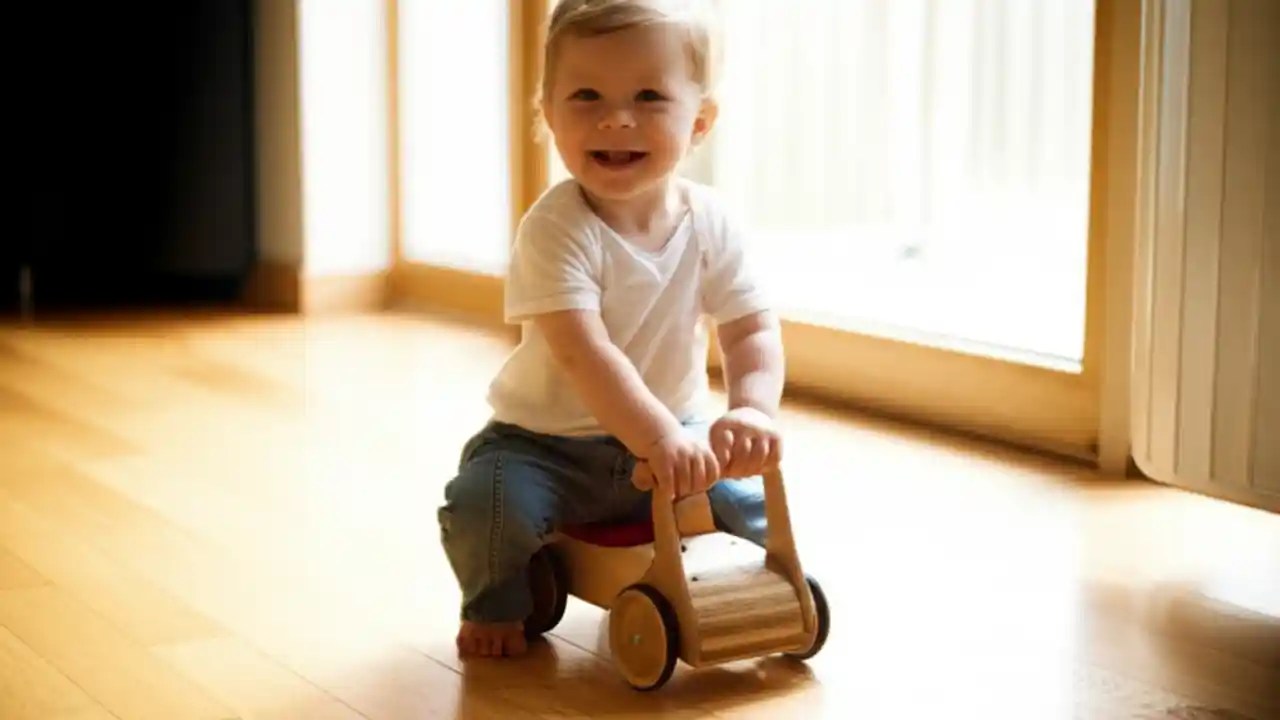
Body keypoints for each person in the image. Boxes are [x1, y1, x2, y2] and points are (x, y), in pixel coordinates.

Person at [437, 0, 785, 658]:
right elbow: (584, 353)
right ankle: (497, 601)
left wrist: (752, 412)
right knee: (486, 507)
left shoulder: (713, 223)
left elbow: (751, 329)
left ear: (701, 121)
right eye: (586, 94)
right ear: (547, 114)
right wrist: (654, 436)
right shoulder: (555, 228)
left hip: (674, 433)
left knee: (750, 490)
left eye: (649, 96)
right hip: (544, 445)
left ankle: (778, 582)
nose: (615, 118)